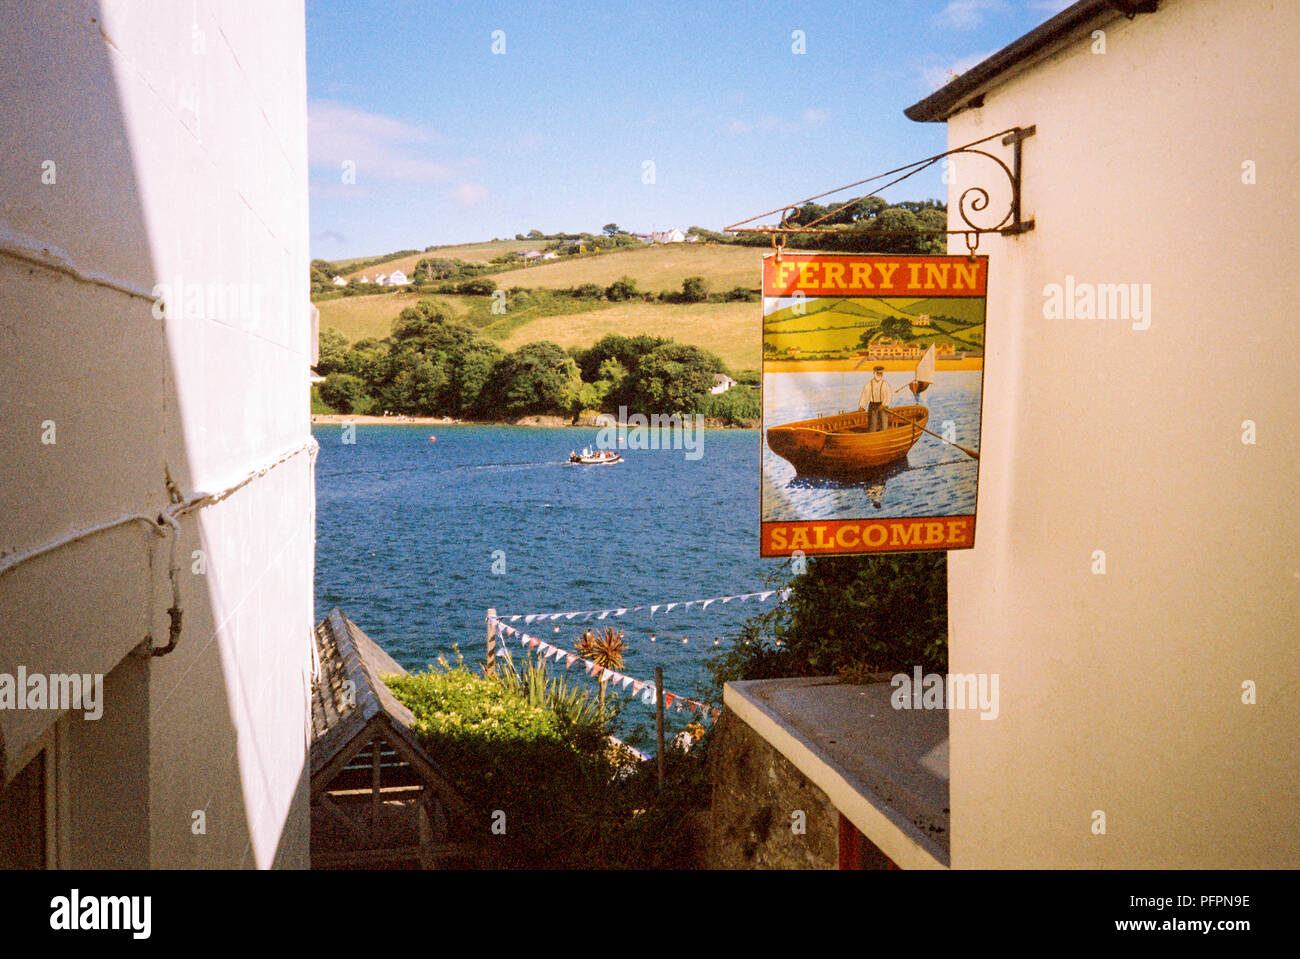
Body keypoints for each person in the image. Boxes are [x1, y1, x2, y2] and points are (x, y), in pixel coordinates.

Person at [858, 365, 892, 432]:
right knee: (872, 425)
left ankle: (883, 436)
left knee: (884, 424)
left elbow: (888, 396)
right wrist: (862, 406)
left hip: (883, 406)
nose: (879, 375)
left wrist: (884, 404)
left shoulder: (885, 384)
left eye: (881, 373)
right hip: (872, 406)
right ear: (874, 373)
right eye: (878, 373)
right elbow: (865, 396)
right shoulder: (868, 384)